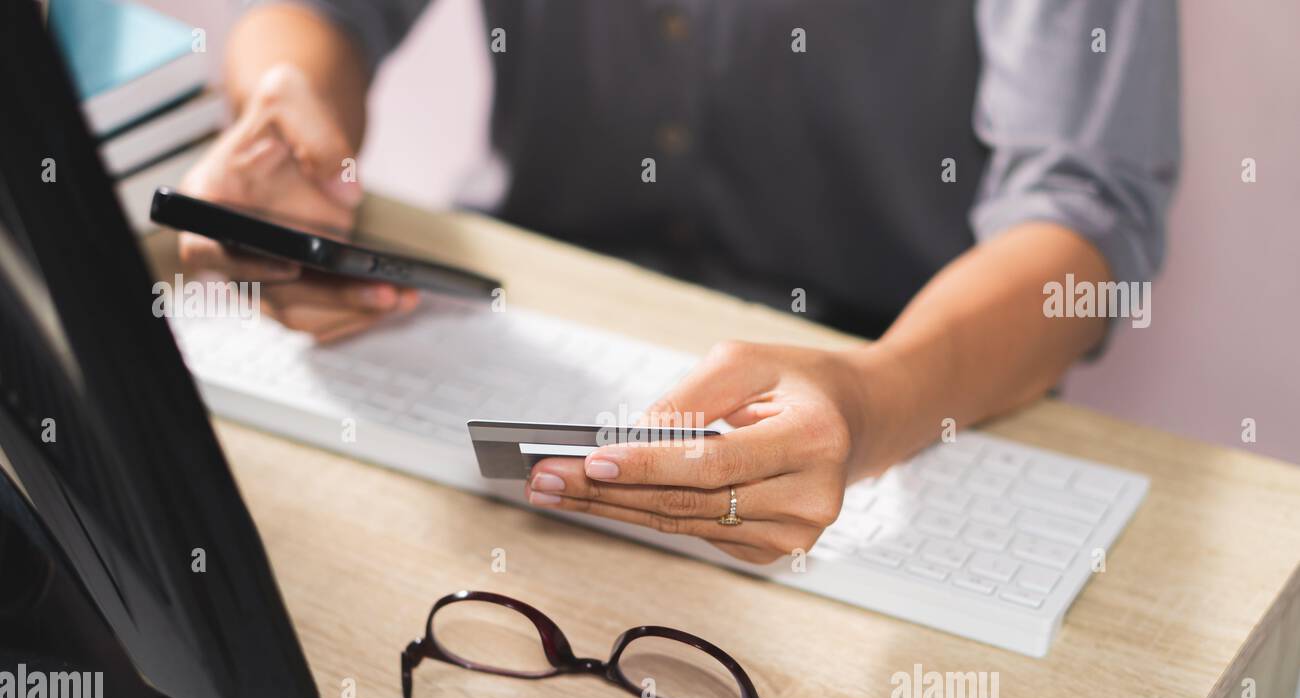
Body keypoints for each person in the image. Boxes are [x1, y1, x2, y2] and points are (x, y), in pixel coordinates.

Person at [178, 0, 1179, 564]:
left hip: (913, 393)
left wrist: (876, 399)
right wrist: (286, 119)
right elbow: (320, 17)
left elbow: (1087, 210)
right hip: (505, 332)